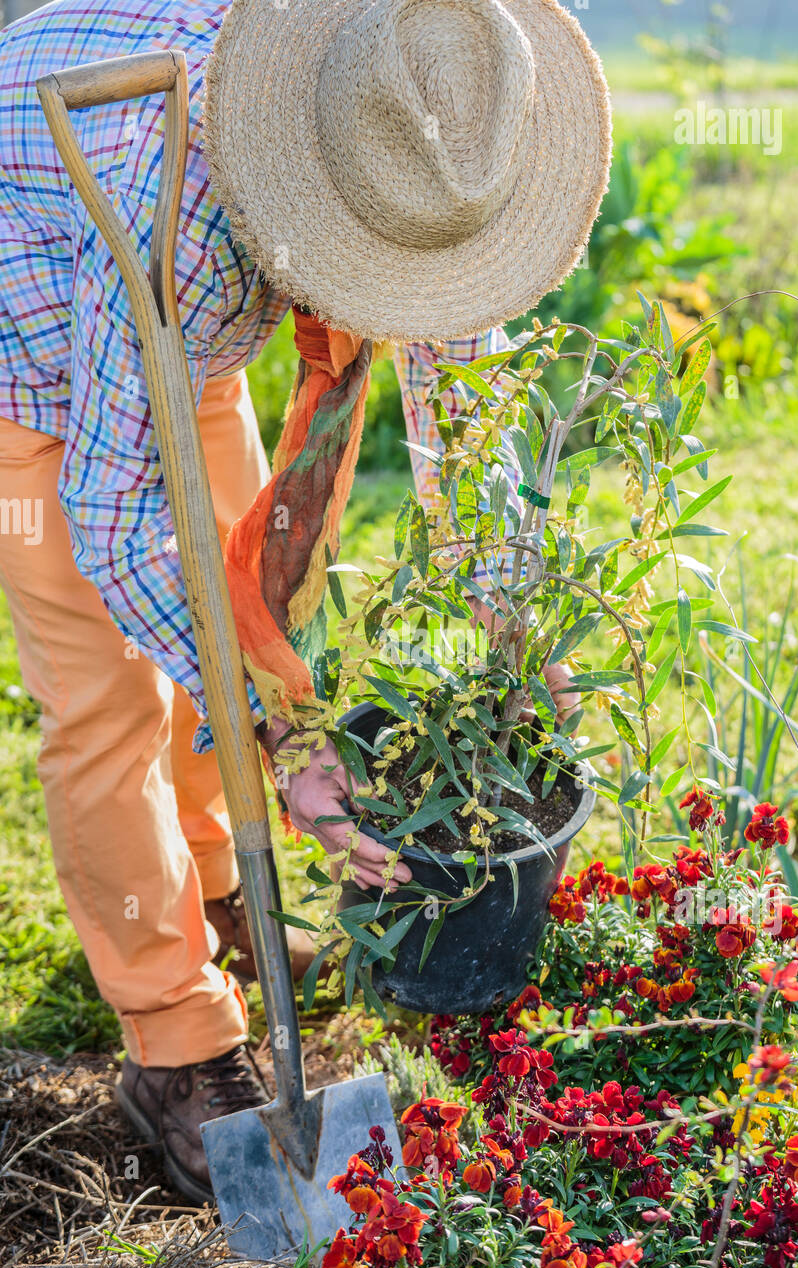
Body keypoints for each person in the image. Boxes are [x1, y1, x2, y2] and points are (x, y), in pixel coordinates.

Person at [0, 0, 611, 1201]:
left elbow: (463, 415)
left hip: (186, 340)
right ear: (300, 198)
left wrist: (513, 623)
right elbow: (124, 523)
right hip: (33, 352)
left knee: (235, 608)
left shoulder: (425, 134)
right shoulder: (167, 189)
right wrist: (288, 741)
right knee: (110, 703)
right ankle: (177, 1041)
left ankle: (221, 888)